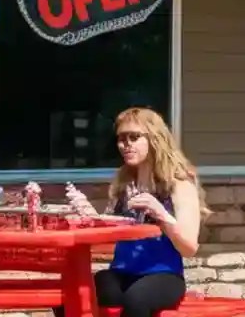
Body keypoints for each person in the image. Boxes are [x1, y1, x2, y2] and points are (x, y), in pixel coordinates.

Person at [63, 107, 206, 317]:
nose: (126, 144)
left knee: (135, 299)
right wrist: (90, 216)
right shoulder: (124, 183)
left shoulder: (178, 184)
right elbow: (110, 238)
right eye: (122, 138)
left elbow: (189, 248)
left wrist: (161, 214)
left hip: (163, 274)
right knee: (73, 294)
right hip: (122, 273)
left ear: (154, 139)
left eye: (134, 137)